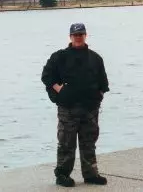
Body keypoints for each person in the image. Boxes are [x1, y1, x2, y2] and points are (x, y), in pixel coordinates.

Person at [41, 23, 109, 187]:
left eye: (81, 34)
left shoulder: (95, 58)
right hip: (68, 108)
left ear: (86, 36)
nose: (78, 37)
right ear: (70, 37)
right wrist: (59, 90)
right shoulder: (59, 57)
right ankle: (62, 175)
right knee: (66, 143)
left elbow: (103, 83)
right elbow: (46, 76)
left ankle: (91, 174)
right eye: (75, 35)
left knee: (89, 143)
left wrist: (98, 96)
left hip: (90, 108)